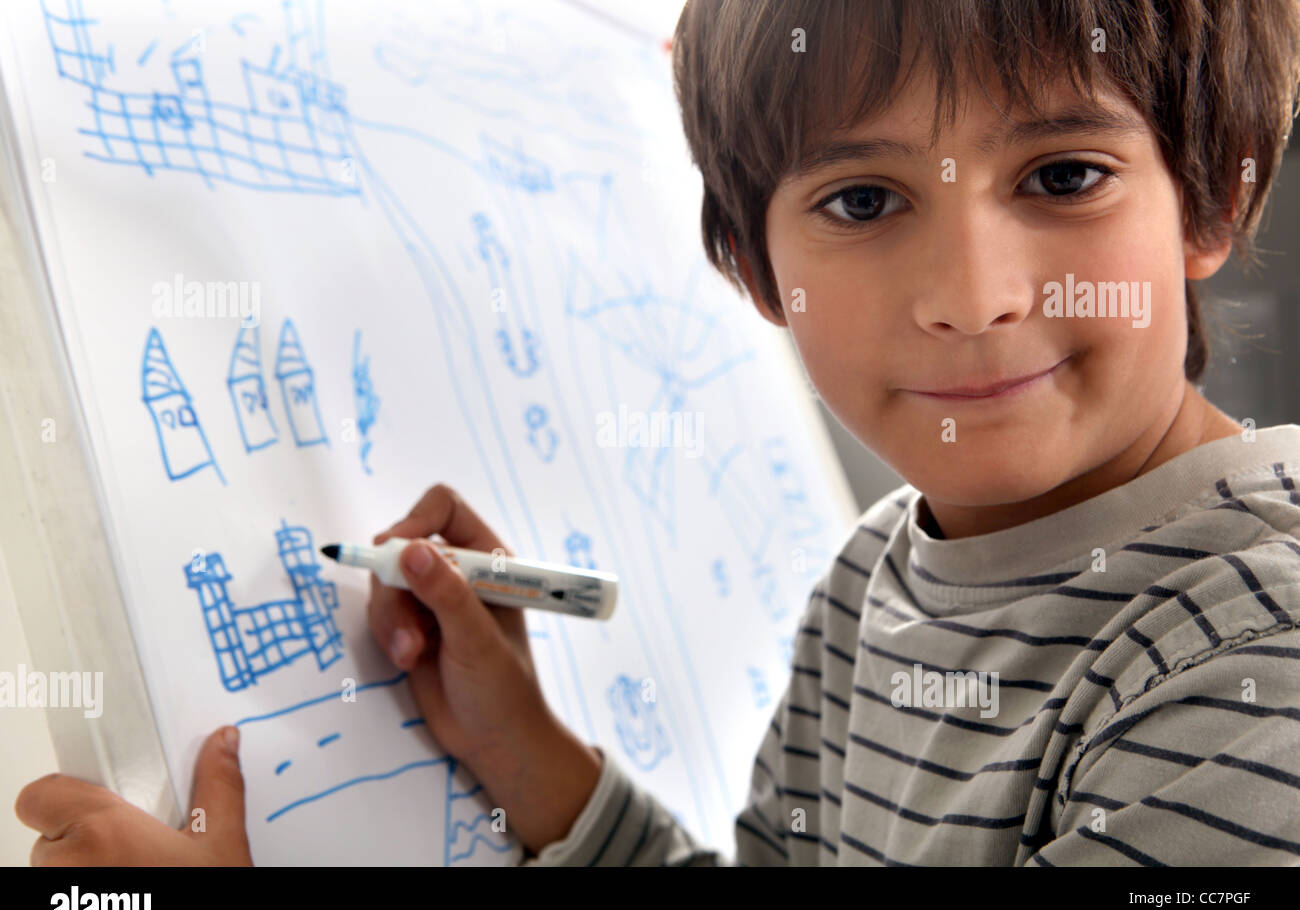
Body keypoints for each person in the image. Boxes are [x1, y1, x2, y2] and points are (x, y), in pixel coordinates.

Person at [19, 0, 1300, 865]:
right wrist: (531, 756)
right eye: (863, 199)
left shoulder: (1250, 669)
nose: (971, 295)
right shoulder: (872, 581)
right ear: (751, 265)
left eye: (1062, 175)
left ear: (1214, 187)